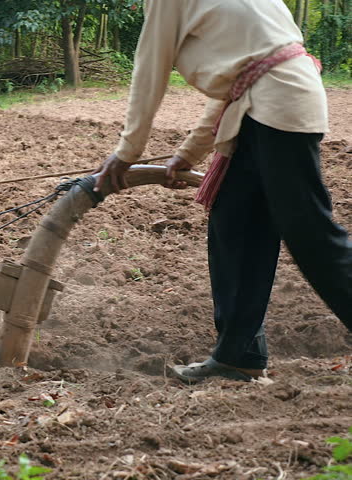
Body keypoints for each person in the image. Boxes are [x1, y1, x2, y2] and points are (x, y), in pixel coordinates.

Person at [93, 0, 352, 383]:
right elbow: (240, 80)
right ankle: (238, 357)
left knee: (311, 235)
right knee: (235, 225)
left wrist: (126, 152)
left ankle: (239, 355)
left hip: (279, 103)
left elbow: (150, 70)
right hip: (262, 104)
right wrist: (187, 154)